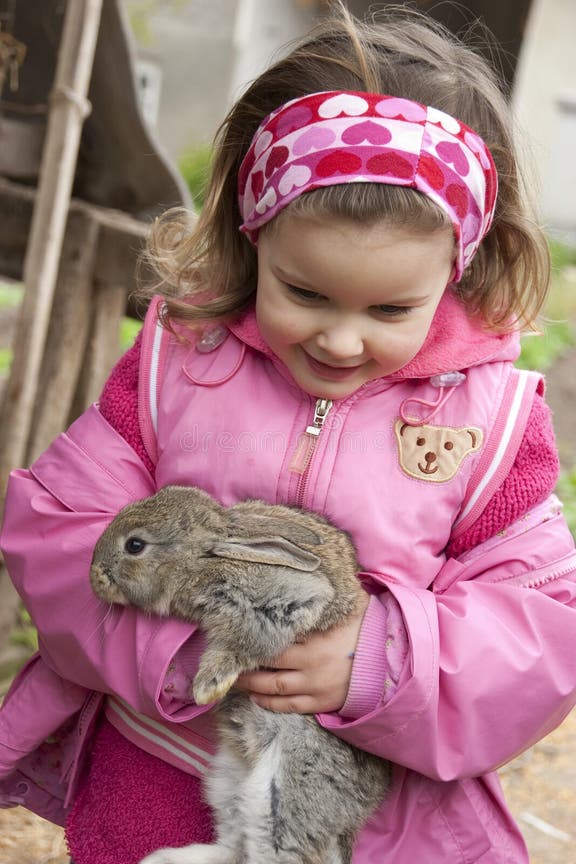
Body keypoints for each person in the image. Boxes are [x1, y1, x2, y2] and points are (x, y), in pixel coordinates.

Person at [1, 3, 575, 862]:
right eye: (305, 292)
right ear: (251, 235)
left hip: (352, 818)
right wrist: (185, 635)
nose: (341, 340)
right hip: (154, 778)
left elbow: (539, 629)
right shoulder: (180, 363)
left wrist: (380, 663)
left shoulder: (488, 425)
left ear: (457, 268)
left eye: (391, 308)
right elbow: (56, 533)